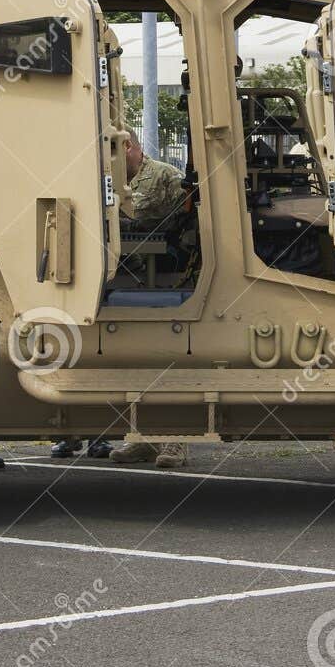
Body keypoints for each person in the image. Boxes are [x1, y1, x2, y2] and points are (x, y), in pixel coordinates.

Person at [111, 132, 189, 469]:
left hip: (163, 276)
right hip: (128, 274)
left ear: (127, 147)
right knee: (135, 360)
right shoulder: (109, 182)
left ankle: (177, 442)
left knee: (171, 361)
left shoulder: (163, 176)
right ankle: (142, 439)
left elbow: (186, 222)